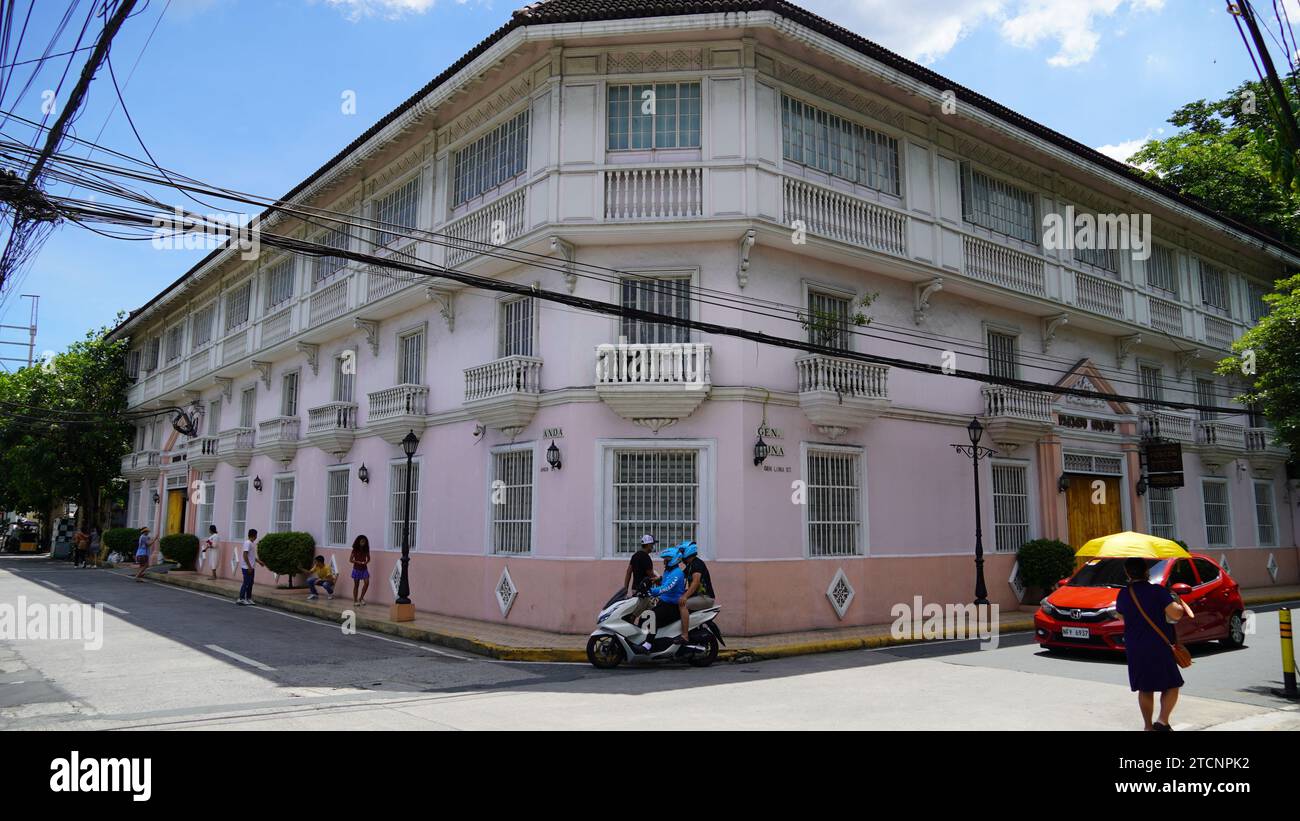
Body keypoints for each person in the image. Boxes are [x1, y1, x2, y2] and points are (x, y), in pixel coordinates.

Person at [1113, 556, 1193, 731]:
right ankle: (1162, 721)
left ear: (1127, 573)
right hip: (1158, 645)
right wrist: (1177, 601)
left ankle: (1148, 727)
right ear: (1147, 572)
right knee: (1172, 684)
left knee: (1145, 688)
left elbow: (1121, 616)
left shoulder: (1124, 593)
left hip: (1135, 646)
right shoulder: (1157, 591)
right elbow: (1176, 614)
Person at [677, 541, 715, 644]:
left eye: (682, 551)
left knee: (682, 604)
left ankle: (685, 636)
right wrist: (661, 581)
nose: (680, 554)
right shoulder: (690, 565)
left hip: (705, 598)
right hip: (698, 597)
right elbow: (678, 577)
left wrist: (685, 596)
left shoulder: (697, 564)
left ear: (688, 552)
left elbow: (695, 582)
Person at [649, 547, 688, 645]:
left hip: (671, 605)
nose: (664, 562)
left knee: (653, 616)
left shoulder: (677, 573)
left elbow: (667, 587)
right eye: (664, 559)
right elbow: (665, 582)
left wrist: (651, 591)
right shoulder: (668, 571)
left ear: (674, 560)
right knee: (645, 615)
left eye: (667, 559)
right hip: (664, 603)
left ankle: (647, 644)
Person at [237, 529, 261, 606]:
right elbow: (245, 555)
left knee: (250, 583)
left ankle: (248, 598)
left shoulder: (252, 543)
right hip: (247, 567)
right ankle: (241, 599)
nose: (256, 536)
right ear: (254, 535)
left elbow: (252, 556)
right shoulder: (247, 543)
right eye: (256, 535)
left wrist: (259, 562)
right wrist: (249, 566)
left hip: (251, 567)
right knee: (246, 583)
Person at [349, 535, 371, 606]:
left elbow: (369, 559)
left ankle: (361, 598)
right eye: (361, 542)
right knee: (356, 585)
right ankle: (355, 600)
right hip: (356, 569)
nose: (363, 543)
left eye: (364, 542)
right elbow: (350, 560)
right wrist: (357, 562)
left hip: (364, 568)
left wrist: (366, 562)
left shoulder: (366, 550)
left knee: (367, 583)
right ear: (358, 542)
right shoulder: (355, 550)